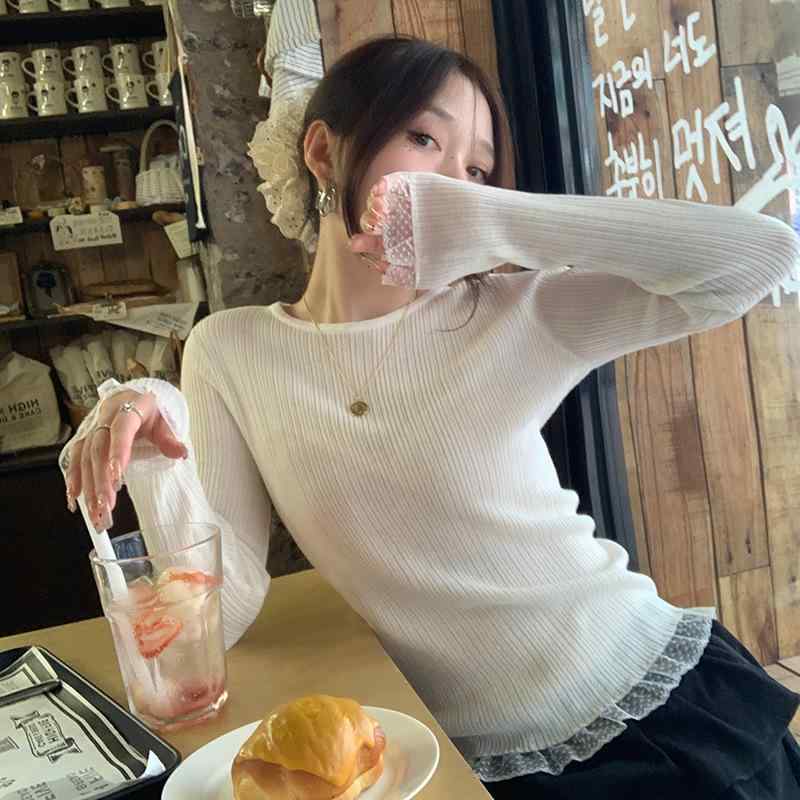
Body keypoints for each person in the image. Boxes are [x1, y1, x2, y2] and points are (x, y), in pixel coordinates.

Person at [61, 32, 800, 800]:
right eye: (424, 138)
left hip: (643, 704)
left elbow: (760, 259)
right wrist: (159, 458)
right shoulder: (229, 351)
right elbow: (231, 605)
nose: (456, 185)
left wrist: (499, 223)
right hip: (460, 759)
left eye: (477, 169)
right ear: (323, 152)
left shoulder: (513, 312)